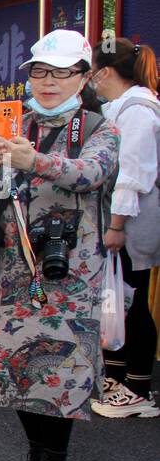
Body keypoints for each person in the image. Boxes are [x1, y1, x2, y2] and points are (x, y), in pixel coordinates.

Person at [0, 29, 121, 461]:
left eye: (61, 72)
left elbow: (93, 173)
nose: (48, 82)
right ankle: (34, 456)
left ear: (84, 76)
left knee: (62, 371)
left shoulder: (99, 127)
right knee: (19, 366)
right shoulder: (14, 123)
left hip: (69, 273)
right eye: (40, 72)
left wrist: (36, 160)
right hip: (14, 268)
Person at [89, 39, 159, 418]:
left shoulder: (138, 111)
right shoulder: (122, 108)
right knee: (117, 297)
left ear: (105, 71)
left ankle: (139, 387)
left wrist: (116, 226)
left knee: (132, 299)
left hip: (133, 221)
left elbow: (132, 176)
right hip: (119, 219)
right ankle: (116, 375)